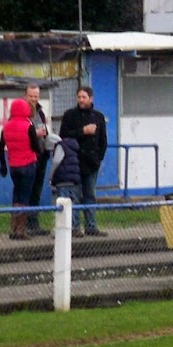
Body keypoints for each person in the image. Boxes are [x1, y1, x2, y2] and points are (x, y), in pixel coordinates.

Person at [59, 86, 108, 235]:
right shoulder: (70, 115)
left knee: (90, 195)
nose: (81, 100)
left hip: (91, 163)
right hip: (74, 162)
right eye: (79, 97)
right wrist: (83, 131)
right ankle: (74, 227)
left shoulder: (98, 117)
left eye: (84, 97)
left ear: (91, 99)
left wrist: (98, 158)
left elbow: (103, 140)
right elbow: (64, 136)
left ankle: (91, 226)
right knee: (73, 196)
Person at [0, 99, 39, 240]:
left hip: (13, 166)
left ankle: (13, 228)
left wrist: (3, 165)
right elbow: (35, 146)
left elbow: (0, 147)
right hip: (28, 164)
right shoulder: (29, 125)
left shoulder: (6, 126)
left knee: (16, 195)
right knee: (25, 197)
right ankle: (21, 230)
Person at [23, 84, 51, 233]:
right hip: (28, 157)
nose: (33, 99)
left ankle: (34, 224)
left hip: (41, 155)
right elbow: (19, 134)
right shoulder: (20, 113)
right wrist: (35, 133)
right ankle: (24, 225)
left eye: (36, 96)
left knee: (36, 192)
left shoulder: (40, 112)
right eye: (31, 96)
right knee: (27, 191)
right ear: (25, 96)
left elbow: (44, 132)